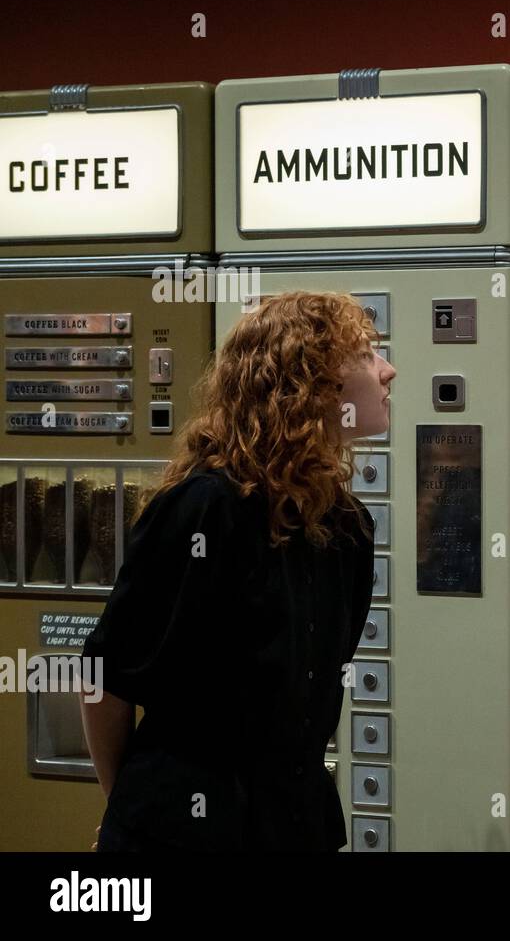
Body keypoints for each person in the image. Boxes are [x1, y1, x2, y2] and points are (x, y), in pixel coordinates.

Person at [80, 290, 396, 851]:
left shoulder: (346, 527)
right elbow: (106, 679)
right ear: (312, 382)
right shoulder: (207, 507)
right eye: (368, 355)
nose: (388, 371)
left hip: (294, 825)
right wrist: (130, 808)